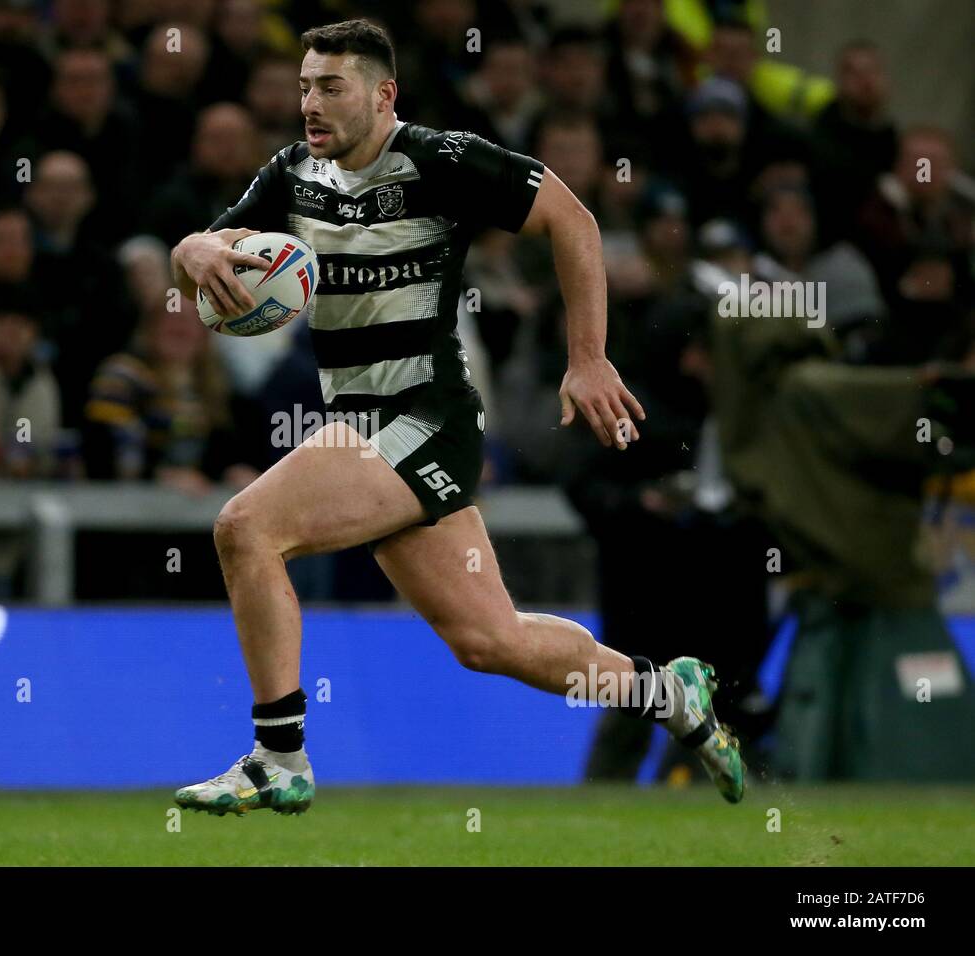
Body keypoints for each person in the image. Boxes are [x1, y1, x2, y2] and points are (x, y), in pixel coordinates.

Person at [168, 19, 745, 816]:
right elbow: (208, 243)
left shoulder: (442, 160)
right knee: (489, 641)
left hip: (425, 417)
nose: (311, 102)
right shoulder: (293, 174)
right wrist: (195, 250)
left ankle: (280, 754)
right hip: (358, 427)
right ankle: (668, 691)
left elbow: (573, 219)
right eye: (304, 85)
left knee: (245, 528)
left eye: (330, 85)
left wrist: (586, 357)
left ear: (383, 93)